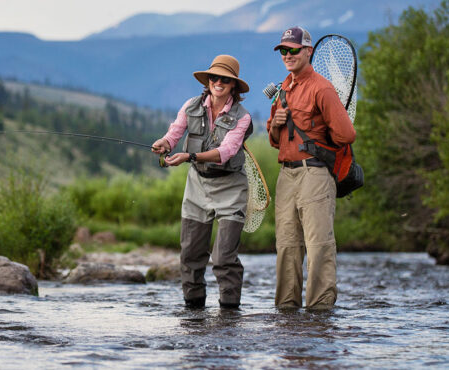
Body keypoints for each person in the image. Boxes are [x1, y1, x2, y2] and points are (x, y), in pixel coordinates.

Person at [152, 54, 253, 310]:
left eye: (225, 80)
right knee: (190, 254)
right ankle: (193, 313)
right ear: (208, 81)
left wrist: (190, 156)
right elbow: (174, 133)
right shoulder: (191, 106)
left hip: (231, 187)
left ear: (233, 85)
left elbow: (226, 151)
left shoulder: (243, 117)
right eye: (214, 77)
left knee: (223, 258)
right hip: (197, 185)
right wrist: (164, 144)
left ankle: (229, 316)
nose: (218, 82)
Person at [265, 26, 356, 309]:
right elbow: (274, 140)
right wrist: (275, 125)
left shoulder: (322, 88)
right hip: (286, 175)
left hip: (314, 173)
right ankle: (286, 311)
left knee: (319, 246)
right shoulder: (282, 89)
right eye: (283, 50)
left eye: (293, 50)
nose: (287, 55)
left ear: (308, 51)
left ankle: (319, 311)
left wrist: (320, 140)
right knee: (286, 247)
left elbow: (346, 135)